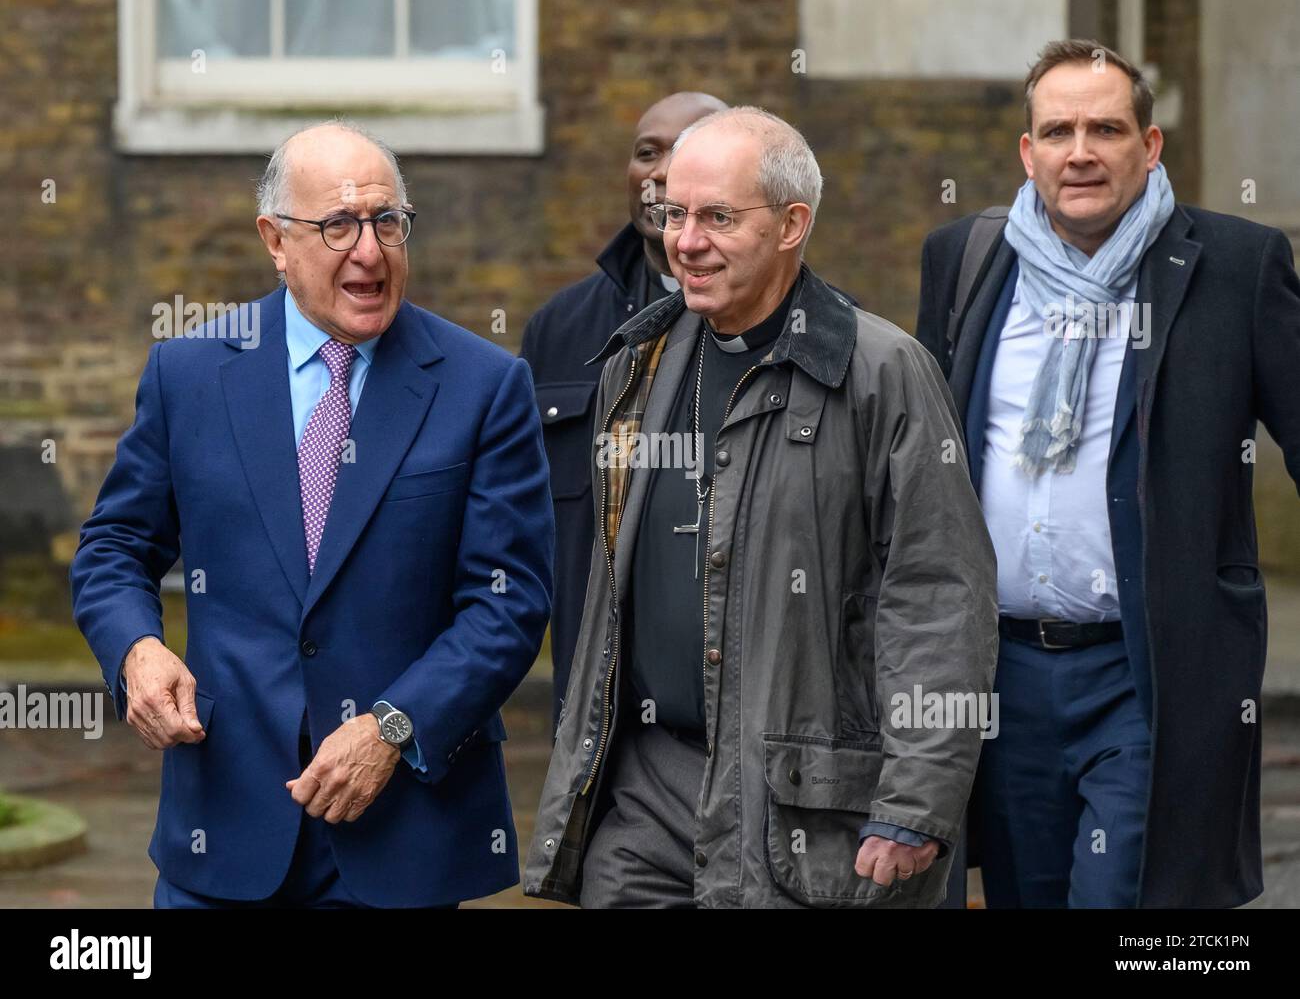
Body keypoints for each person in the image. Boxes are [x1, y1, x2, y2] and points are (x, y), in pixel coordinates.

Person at [70, 121, 553, 908]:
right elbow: (115, 545)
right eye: (337, 226)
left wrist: (392, 726)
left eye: (387, 222)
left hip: (402, 830)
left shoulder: (484, 387)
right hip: (222, 827)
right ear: (276, 240)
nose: (369, 251)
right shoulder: (189, 373)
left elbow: (509, 604)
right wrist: (135, 650)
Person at [525, 107, 997, 908]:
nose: (685, 240)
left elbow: (938, 595)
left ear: (791, 224)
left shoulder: (881, 372)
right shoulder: (634, 364)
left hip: (806, 807)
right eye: (675, 213)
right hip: (645, 799)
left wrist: (918, 799)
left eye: (717, 217)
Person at [915, 40, 1300, 907]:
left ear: (1149, 145)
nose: (1080, 151)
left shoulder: (1236, 266)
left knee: (1125, 895)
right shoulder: (966, 261)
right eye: (1057, 130)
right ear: (1028, 152)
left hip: (1147, 670)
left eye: (1105, 128)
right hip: (1003, 675)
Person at [520, 91, 726, 731]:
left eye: (684, 150)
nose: (659, 171)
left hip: (739, 700)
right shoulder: (560, 330)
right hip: (599, 709)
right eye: (646, 153)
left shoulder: (812, 326)